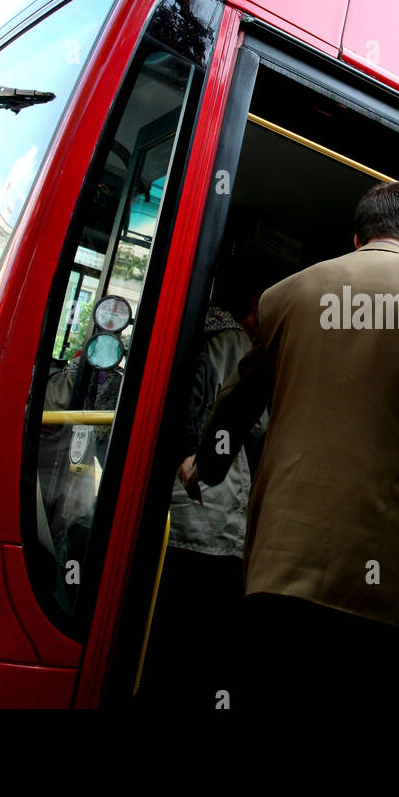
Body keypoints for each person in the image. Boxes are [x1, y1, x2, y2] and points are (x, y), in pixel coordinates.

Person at [183, 180, 399, 710]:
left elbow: (237, 403)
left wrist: (206, 465)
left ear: (357, 240)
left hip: (276, 575)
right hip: (385, 591)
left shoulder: (284, 295)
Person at [151, 298, 265, 707]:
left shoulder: (169, 324)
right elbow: (256, 425)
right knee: (205, 642)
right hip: (212, 515)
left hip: (158, 513)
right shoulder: (235, 343)